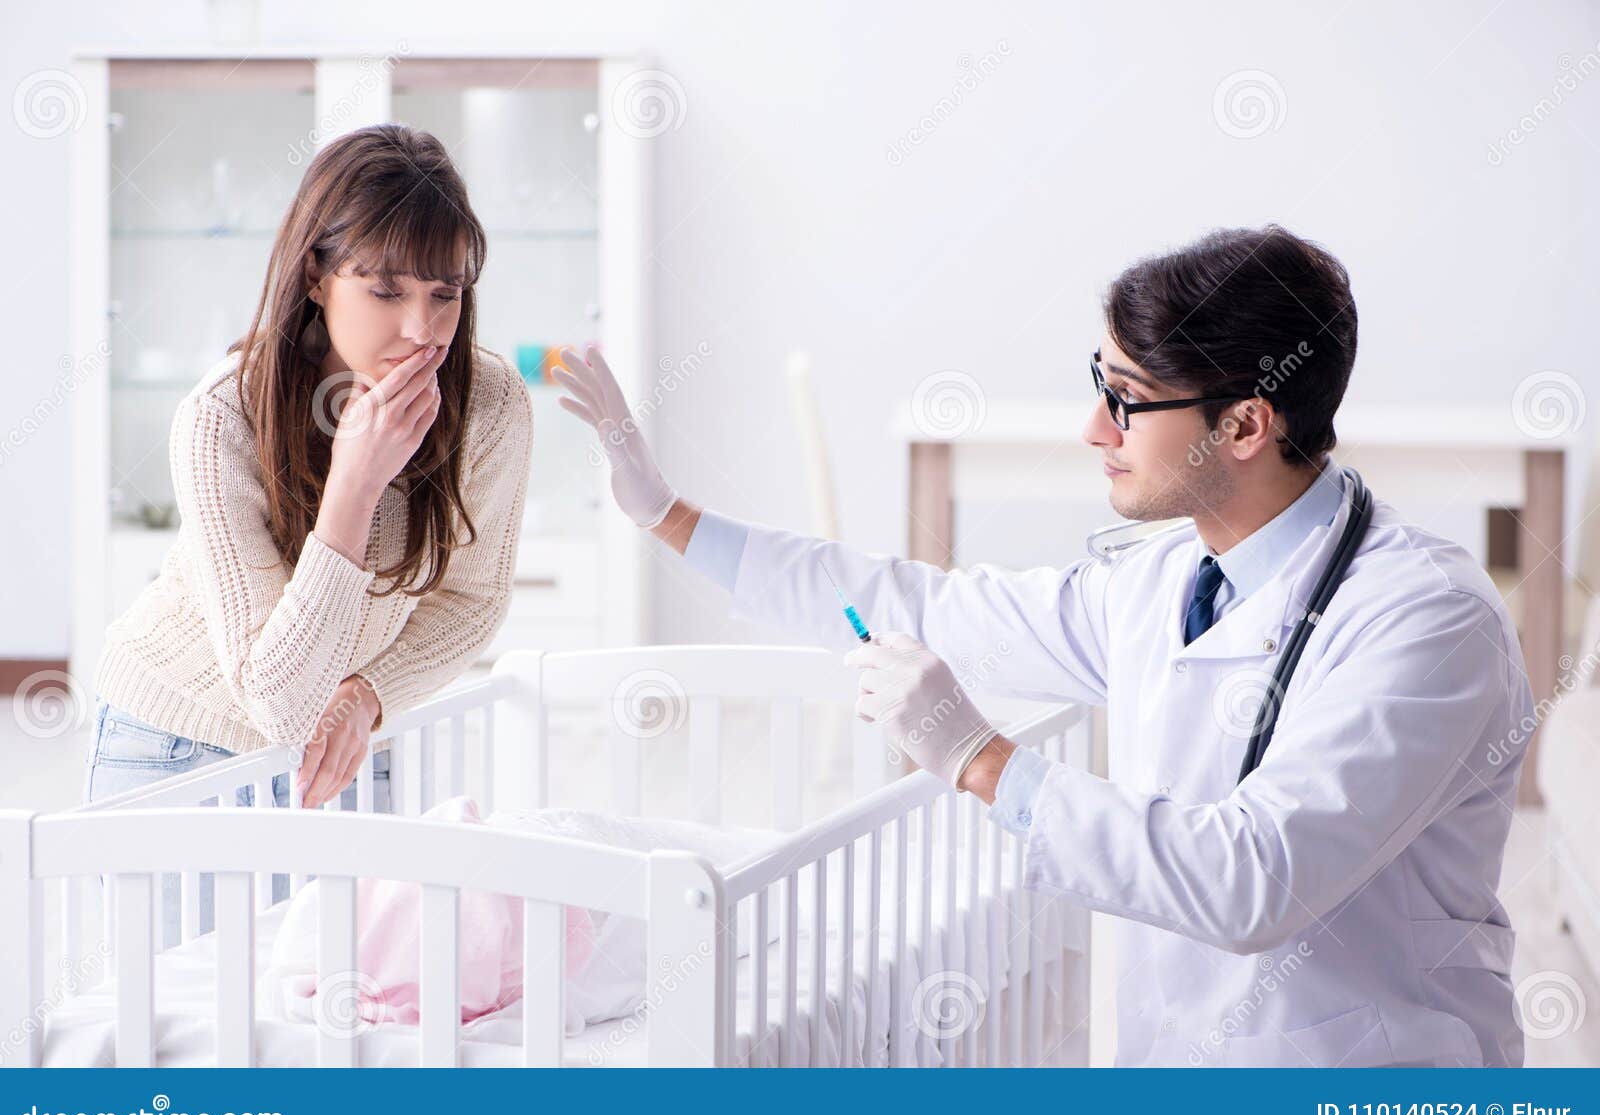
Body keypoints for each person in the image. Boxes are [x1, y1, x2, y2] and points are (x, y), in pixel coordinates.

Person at [553, 225, 1533, 1067]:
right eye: (1096, 388)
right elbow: (920, 604)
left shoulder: (1422, 620)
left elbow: (1254, 880)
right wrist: (669, 516)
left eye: (1128, 400)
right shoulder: (1158, 581)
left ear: (1244, 423)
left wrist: (982, 762)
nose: (1092, 430)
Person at [85, 124, 533, 946]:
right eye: (387, 291)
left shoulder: (491, 404)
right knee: (192, 1044)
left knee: (337, 1028)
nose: (424, 329)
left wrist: (367, 697)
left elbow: (473, 602)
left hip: (345, 741)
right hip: (181, 747)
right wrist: (356, 482)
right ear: (319, 277)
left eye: (446, 293)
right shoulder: (221, 417)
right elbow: (280, 701)